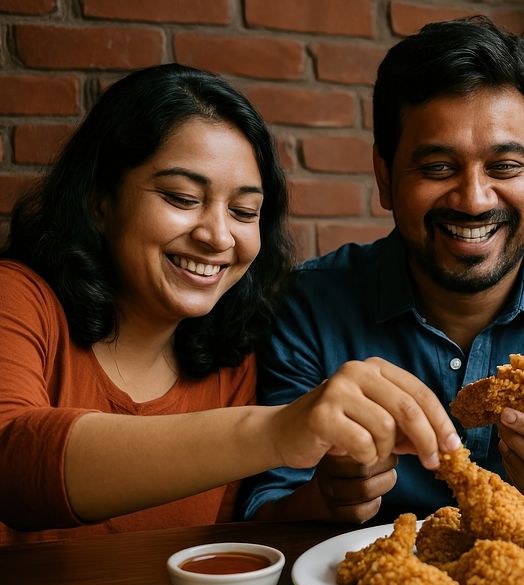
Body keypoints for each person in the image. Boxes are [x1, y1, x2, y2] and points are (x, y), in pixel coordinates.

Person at [239, 16, 524, 527]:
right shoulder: (309, 303)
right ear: (384, 176)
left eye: (505, 167)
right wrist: (324, 499)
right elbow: (261, 516)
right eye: (438, 168)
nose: (473, 199)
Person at [0, 63, 459, 544]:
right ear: (101, 200)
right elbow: (13, 462)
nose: (218, 236)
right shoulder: (22, 298)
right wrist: (276, 431)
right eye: (182, 197)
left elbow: (220, 543)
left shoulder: (229, 357)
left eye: (243, 212)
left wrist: (319, 502)